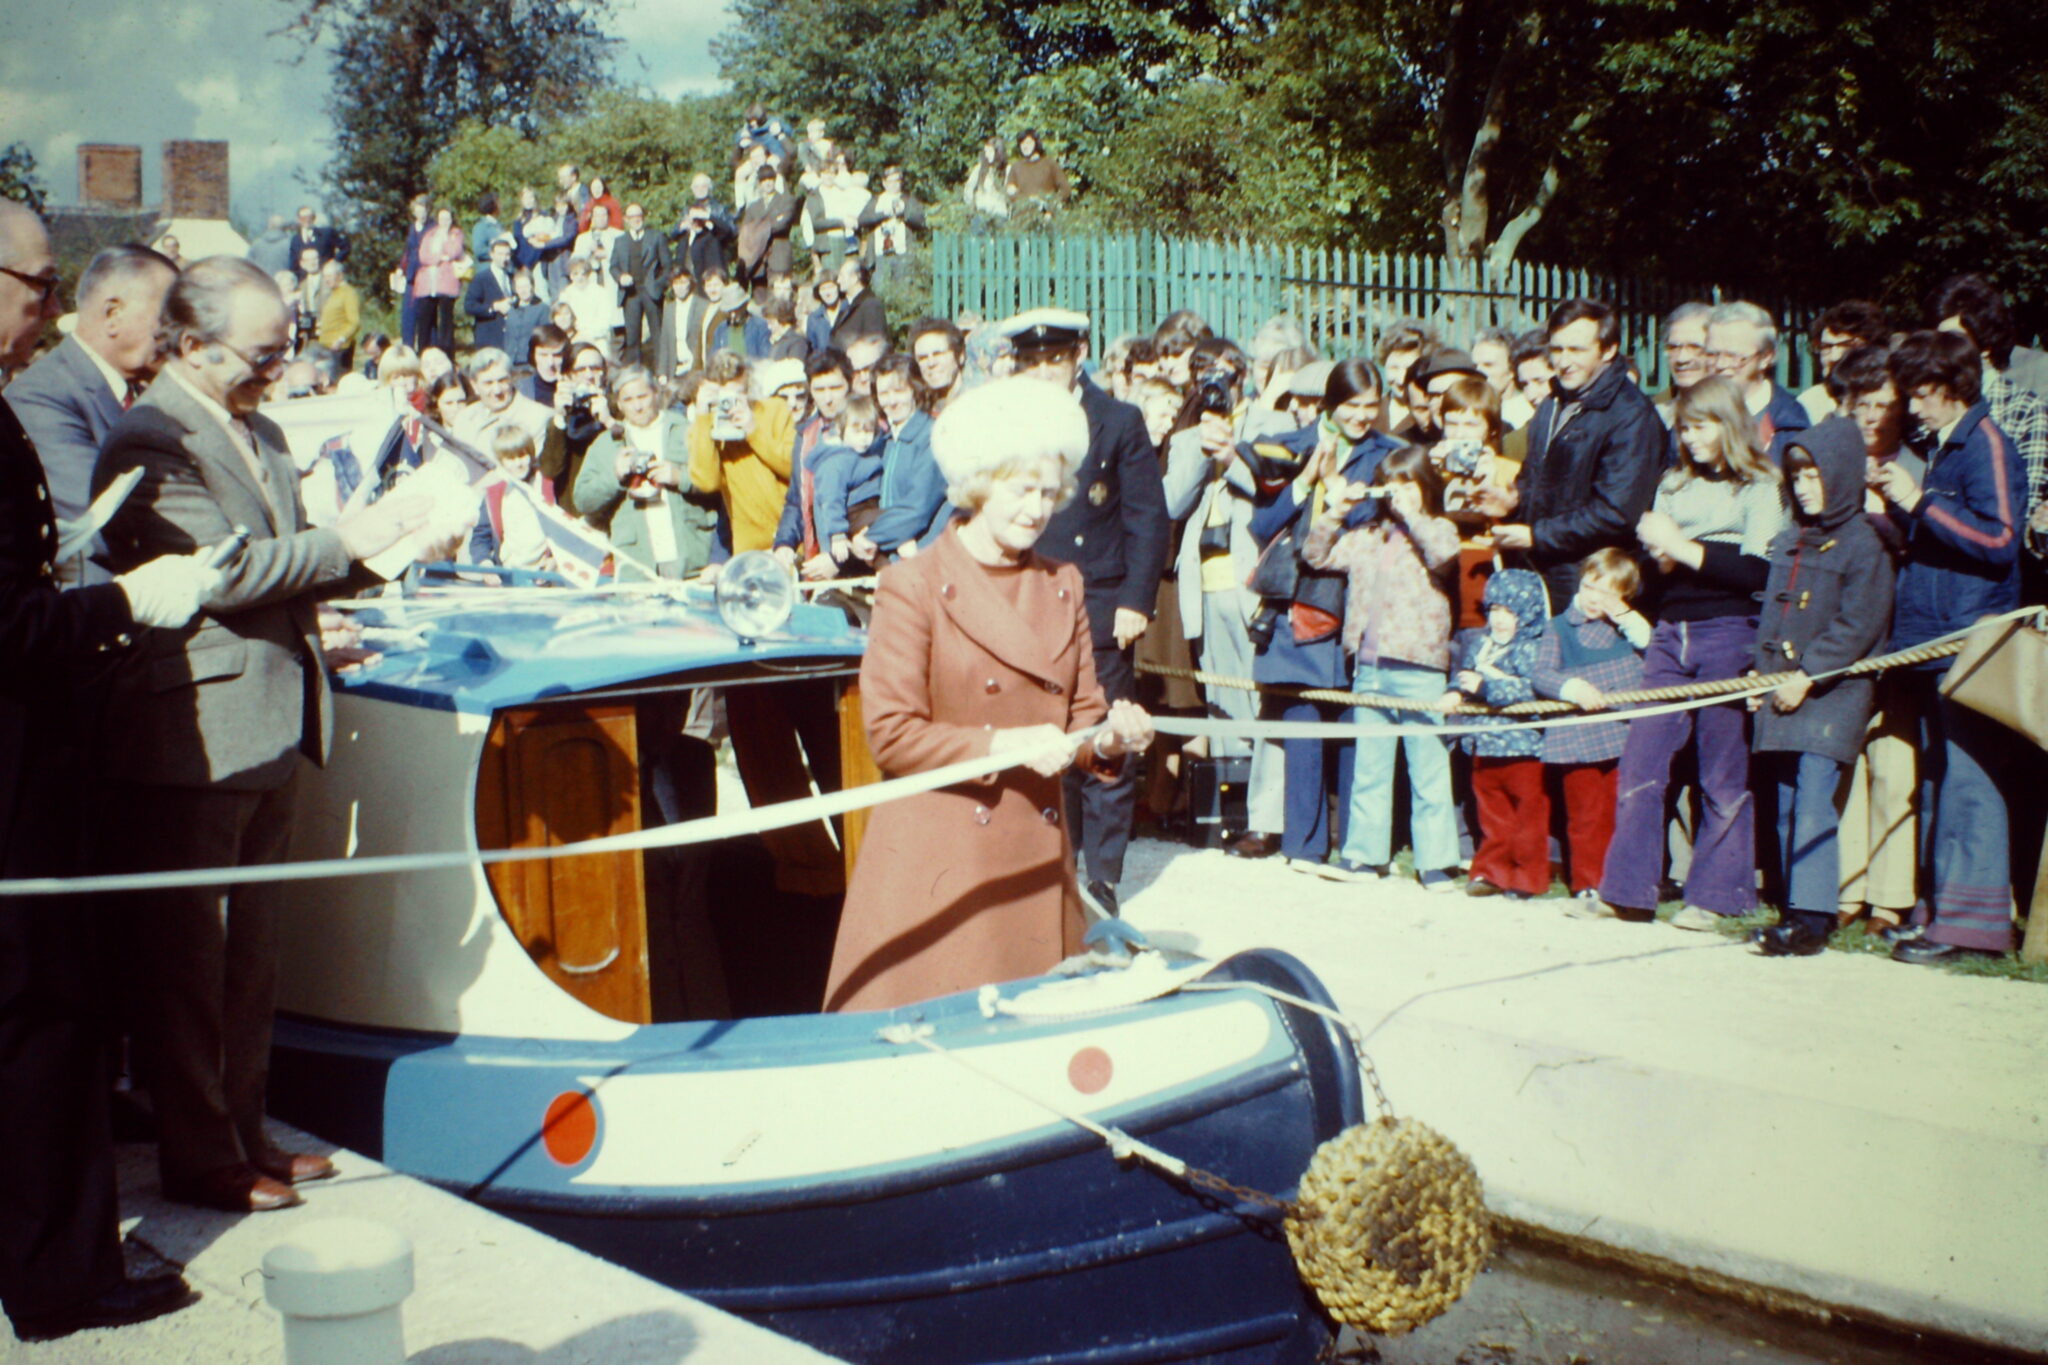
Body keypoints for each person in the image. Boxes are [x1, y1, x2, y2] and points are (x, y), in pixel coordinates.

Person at [92, 256, 426, 1215]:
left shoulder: (260, 429)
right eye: (261, 354)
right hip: (196, 732)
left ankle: (246, 1131)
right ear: (189, 345)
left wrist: (383, 553)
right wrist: (356, 539)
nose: (277, 372)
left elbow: (294, 563)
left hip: (273, 721)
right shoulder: (146, 442)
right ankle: (201, 1156)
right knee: (191, 964)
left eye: (285, 352)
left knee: (252, 958)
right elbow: (223, 573)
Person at [0, 199, 218, 1344]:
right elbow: (9, 623)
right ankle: (60, 1277)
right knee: (43, 1019)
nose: (47, 310)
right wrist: (122, 601)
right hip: (16, 780)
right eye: (38, 287)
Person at [822, 376, 1154, 1011]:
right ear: (979, 484)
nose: (1037, 508)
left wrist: (1110, 738)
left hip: (1033, 858)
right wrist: (1004, 744)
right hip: (943, 864)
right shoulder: (911, 585)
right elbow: (889, 733)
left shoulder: (1065, 582)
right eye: (1021, 489)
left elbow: (1083, 719)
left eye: (1049, 492)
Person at [1587, 375, 1787, 927]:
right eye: (1684, 428)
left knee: (1722, 773)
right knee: (1642, 764)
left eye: (1700, 428)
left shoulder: (1763, 485)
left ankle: (1719, 896)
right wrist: (1657, 560)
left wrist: (1683, 548)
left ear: (1729, 425)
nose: (1690, 439)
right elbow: (1660, 572)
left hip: (1729, 631)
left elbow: (1760, 571)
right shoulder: (1673, 483)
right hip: (1671, 634)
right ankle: (1627, 890)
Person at [1002, 309, 1169, 911]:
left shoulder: (1118, 421)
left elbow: (1147, 517)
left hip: (1100, 603)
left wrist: (1135, 600)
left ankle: (1102, 877)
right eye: (1032, 361)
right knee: (1046, 743)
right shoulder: (1012, 425)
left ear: (1079, 356)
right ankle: (1054, 863)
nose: (1044, 371)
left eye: (1055, 358)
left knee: (1104, 744)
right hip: (1029, 603)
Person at [1873, 330, 2026, 964]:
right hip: (1937, 639)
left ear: (1957, 387)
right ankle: (1939, 916)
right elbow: (1944, 538)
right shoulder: (1948, 445)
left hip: (1973, 638)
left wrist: (1922, 502)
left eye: (1923, 393)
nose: (1913, 407)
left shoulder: (1986, 442)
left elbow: (2000, 541)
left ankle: (1972, 930)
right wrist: (1898, 511)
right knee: (1941, 778)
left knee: (1970, 782)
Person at [1242, 359, 1401, 870]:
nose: (1361, 416)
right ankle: (1304, 845)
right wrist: (1306, 479)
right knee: (1303, 720)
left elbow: (1375, 524)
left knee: (1356, 719)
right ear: (1330, 403)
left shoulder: (1390, 453)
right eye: (1351, 405)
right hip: (1300, 600)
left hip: (1358, 601)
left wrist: (1335, 487)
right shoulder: (1289, 444)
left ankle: (1357, 848)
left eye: (1370, 405)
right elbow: (1261, 524)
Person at [1746, 419, 1897, 956]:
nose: (1806, 486)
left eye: (1815, 475)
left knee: (1813, 795)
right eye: (1797, 476)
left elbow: (1860, 624)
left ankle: (1813, 917)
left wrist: (1809, 675)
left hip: (1830, 691)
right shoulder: (1790, 540)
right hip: (1783, 688)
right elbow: (1771, 619)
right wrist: (1758, 675)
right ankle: (1792, 904)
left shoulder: (1864, 542)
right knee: (1787, 796)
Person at [1301, 445, 1463, 886]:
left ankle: (1436, 862)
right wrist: (1336, 512)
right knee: (1371, 766)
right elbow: (1315, 555)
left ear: (1424, 486)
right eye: (1392, 483)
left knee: (1428, 767)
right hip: (1370, 665)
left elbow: (1445, 556)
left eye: (1408, 482)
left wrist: (1415, 516)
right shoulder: (1367, 535)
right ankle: (1364, 856)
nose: (1398, 492)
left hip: (1421, 666)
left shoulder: (1439, 528)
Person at [1476, 299, 1666, 612]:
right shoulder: (1552, 404)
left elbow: (1616, 513)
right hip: (1543, 573)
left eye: (1576, 350)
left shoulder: (1631, 415)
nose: (1563, 361)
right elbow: (1537, 479)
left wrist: (1536, 536)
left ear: (1607, 350)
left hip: (1596, 581)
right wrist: (1512, 501)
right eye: (1557, 349)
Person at [6, 243, 177, 586]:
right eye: (169, 318)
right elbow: (106, 523)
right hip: (103, 620)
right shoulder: (41, 397)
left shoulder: (150, 394)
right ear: (113, 314)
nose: (179, 334)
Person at [1531, 547, 1651, 901]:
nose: (1594, 597)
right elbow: (1541, 674)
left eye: (1607, 591)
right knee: (1585, 815)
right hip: (1578, 735)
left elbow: (1652, 645)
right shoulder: (1559, 627)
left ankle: (1623, 884)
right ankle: (1587, 882)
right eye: (1589, 587)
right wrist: (1572, 687)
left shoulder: (1628, 629)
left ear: (1624, 596)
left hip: (1625, 730)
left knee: (1622, 810)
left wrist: (1626, 616)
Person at [1443, 569, 1552, 899]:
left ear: (1528, 613)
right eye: (1494, 610)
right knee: (1492, 814)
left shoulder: (1534, 647)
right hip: (1485, 744)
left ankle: (1526, 877)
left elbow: (1531, 689)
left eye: (1510, 612)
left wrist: (1487, 687)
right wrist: (1456, 692)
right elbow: (1466, 675)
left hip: (1524, 748)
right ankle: (1491, 872)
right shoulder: (1481, 644)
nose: (1500, 620)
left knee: (1527, 817)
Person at [576, 365, 719, 581]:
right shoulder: (606, 443)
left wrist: (679, 477)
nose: (637, 407)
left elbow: (718, 480)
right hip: (637, 565)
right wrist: (615, 476)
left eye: (642, 397)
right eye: (629, 400)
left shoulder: (684, 430)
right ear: (619, 404)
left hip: (691, 559)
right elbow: (583, 500)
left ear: (656, 394)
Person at [688, 351, 796, 553]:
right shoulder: (705, 427)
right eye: (724, 396)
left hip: (792, 536)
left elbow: (793, 468)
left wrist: (752, 430)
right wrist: (702, 414)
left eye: (739, 393)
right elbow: (706, 482)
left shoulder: (774, 410)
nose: (731, 403)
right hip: (751, 547)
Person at [774, 393, 882, 581]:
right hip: (851, 515)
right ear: (841, 430)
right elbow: (831, 499)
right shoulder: (836, 463)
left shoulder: (868, 453)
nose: (864, 438)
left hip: (866, 508)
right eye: (857, 431)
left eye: (868, 431)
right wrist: (837, 534)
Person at [851, 355, 943, 561]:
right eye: (884, 393)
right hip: (890, 557)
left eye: (899, 391)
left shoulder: (930, 438)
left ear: (915, 390)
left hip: (922, 556)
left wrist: (872, 536)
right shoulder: (885, 442)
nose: (891, 401)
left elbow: (918, 507)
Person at [1704, 300, 1808, 461]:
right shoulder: (1692, 412)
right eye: (1712, 354)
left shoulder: (1789, 422)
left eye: (1734, 356)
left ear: (1766, 358)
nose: (1720, 364)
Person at [469, 422, 557, 571]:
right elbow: (480, 537)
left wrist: (555, 560)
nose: (518, 464)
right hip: (511, 573)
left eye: (522, 455)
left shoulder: (546, 485)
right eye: (510, 458)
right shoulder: (493, 494)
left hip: (546, 572)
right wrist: (486, 565)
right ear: (501, 461)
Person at [1798, 300, 1890, 424]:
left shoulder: (1890, 399)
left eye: (1846, 346)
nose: (1834, 357)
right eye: (1826, 347)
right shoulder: (1810, 402)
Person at [612, 203, 668, 368]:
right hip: (630, 295)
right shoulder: (620, 241)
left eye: (639, 215)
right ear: (626, 220)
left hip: (652, 292)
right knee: (632, 337)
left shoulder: (656, 236)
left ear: (643, 217)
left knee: (658, 335)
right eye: (632, 216)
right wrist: (620, 277)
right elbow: (613, 266)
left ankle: (661, 372)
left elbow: (667, 266)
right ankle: (635, 373)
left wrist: (659, 286)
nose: (636, 219)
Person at [859, 165, 927, 291]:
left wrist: (904, 214)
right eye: (890, 181)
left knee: (903, 290)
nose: (894, 185)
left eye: (897, 181)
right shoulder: (876, 200)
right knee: (880, 289)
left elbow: (921, 222)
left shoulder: (909, 200)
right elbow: (862, 220)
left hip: (903, 253)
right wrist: (883, 214)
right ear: (884, 183)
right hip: (880, 254)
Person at [412, 204, 465, 356]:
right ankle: (422, 353)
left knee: (446, 322)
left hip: (446, 284)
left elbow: (454, 251)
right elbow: (423, 256)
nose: (444, 221)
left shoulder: (456, 234)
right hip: (428, 284)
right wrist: (440, 258)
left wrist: (444, 248)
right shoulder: (430, 234)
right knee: (425, 321)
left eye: (447, 218)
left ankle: (448, 354)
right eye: (442, 218)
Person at [1653, 301, 1715, 426]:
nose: (1682, 358)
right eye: (1673, 347)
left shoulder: (1738, 412)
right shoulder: (1655, 412)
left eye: (1695, 347)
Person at [462, 233, 517, 353]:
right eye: (500, 254)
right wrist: (494, 307)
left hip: (510, 338)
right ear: (491, 255)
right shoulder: (481, 278)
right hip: (489, 337)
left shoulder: (512, 277)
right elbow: (469, 306)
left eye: (507, 254)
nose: (504, 258)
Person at [1004, 130, 1072, 220]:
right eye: (1022, 143)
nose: (1025, 146)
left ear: (1036, 143)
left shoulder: (1049, 164)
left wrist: (1051, 209)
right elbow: (1010, 193)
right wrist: (1026, 199)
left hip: (1045, 218)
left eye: (1028, 142)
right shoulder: (1016, 167)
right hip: (1022, 219)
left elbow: (1065, 190)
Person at [908, 317, 967, 412]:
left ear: (960, 356)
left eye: (938, 354)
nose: (931, 363)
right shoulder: (920, 408)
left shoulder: (978, 402)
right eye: (923, 358)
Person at [829, 258, 888, 353]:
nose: (838, 281)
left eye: (842, 276)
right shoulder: (848, 306)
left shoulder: (871, 305)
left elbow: (875, 346)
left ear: (855, 278)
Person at [313, 258, 361, 373]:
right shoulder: (333, 293)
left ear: (340, 275)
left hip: (339, 350)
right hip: (326, 347)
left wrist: (340, 339)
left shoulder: (348, 293)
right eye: (324, 276)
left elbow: (355, 322)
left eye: (329, 276)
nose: (326, 280)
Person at [502, 268, 550, 375]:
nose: (523, 290)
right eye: (519, 287)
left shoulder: (542, 308)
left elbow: (544, 338)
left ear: (532, 286)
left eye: (526, 286)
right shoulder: (511, 309)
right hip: (511, 362)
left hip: (530, 364)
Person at [963, 136, 1009, 230]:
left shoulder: (1007, 169)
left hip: (999, 215)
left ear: (998, 152)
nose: (987, 154)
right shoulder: (980, 168)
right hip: (981, 214)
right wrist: (973, 204)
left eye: (990, 151)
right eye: (986, 151)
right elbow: (969, 188)